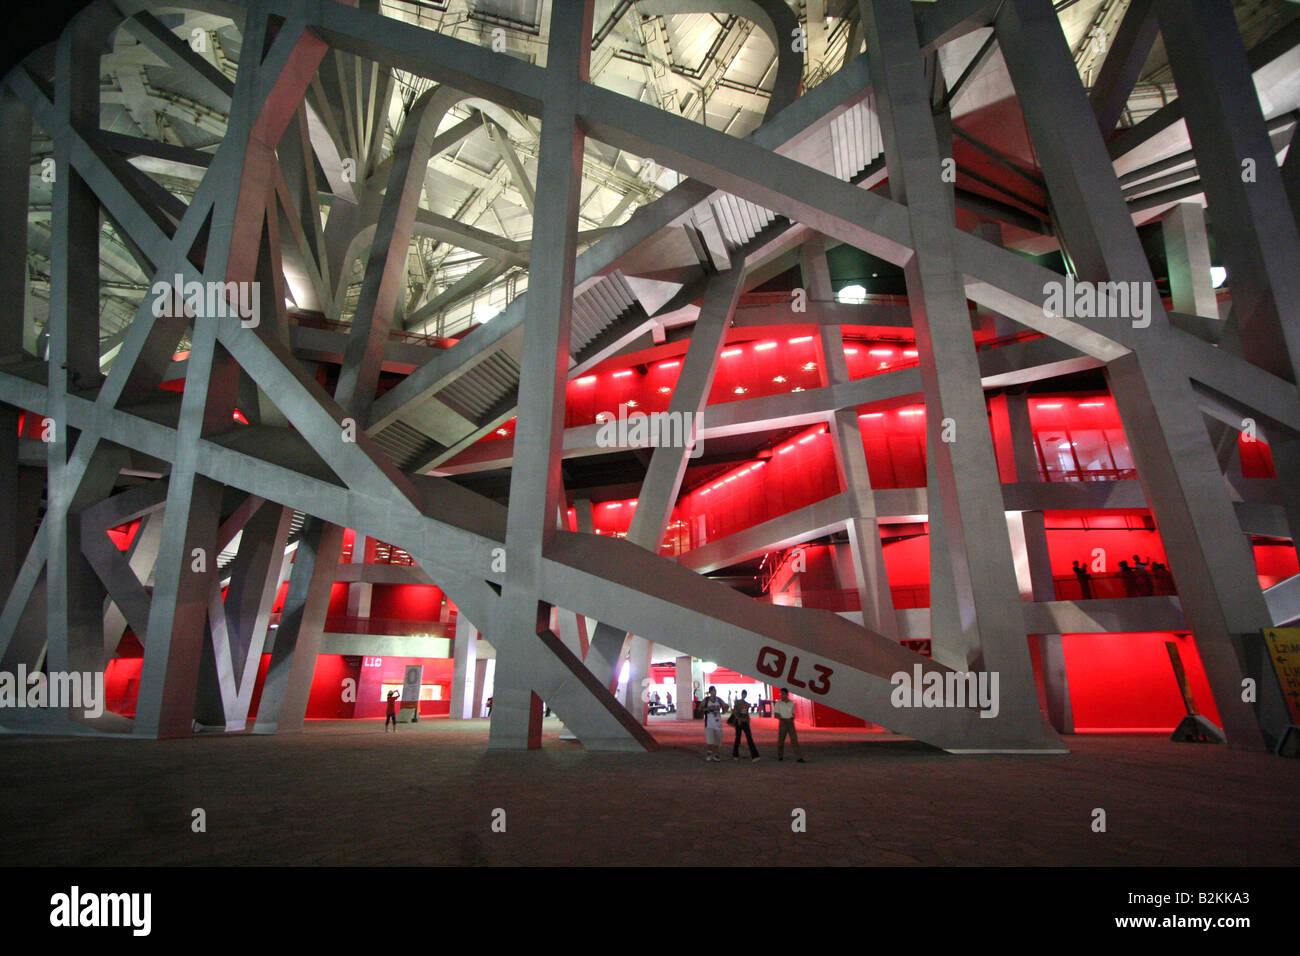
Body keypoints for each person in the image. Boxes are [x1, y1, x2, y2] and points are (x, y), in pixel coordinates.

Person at [773, 688, 805, 762]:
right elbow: (776, 714)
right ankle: (780, 756)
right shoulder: (778, 703)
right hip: (783, 721)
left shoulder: (791, 703)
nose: (782, 696)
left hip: (790, 722)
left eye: (783, 694)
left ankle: (799, 757)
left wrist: (791, 719)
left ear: (786, 695)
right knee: (781, 740)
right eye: (781, 694)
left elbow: (793, 714)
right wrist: (783, 719)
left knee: (794, 740)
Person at [730, 689, 760, 761]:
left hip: (743, 721)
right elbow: (735, 711)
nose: (744, 695)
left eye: (745, 694)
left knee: (741, 738)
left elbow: (744, 713)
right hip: (740, 722)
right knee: (740, 738)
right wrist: (739, 719)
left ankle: (736, 754)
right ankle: (753, 755)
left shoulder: (744, 703)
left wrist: (747, 719)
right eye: (744, 694)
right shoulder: (741, 703)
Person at [701, 685, 726, 762]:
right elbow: (700, 708)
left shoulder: (718, 699)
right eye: (713, 691)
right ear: (710, 692)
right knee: (710, 741)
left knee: (718, 740)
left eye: (715, 691)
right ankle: (709, 753)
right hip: (709, 723)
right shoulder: (706, 700)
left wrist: (724, 710)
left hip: (718, 723)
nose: (714, 693)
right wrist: (707, 709)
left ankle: (716, 754)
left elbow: (725, 706)